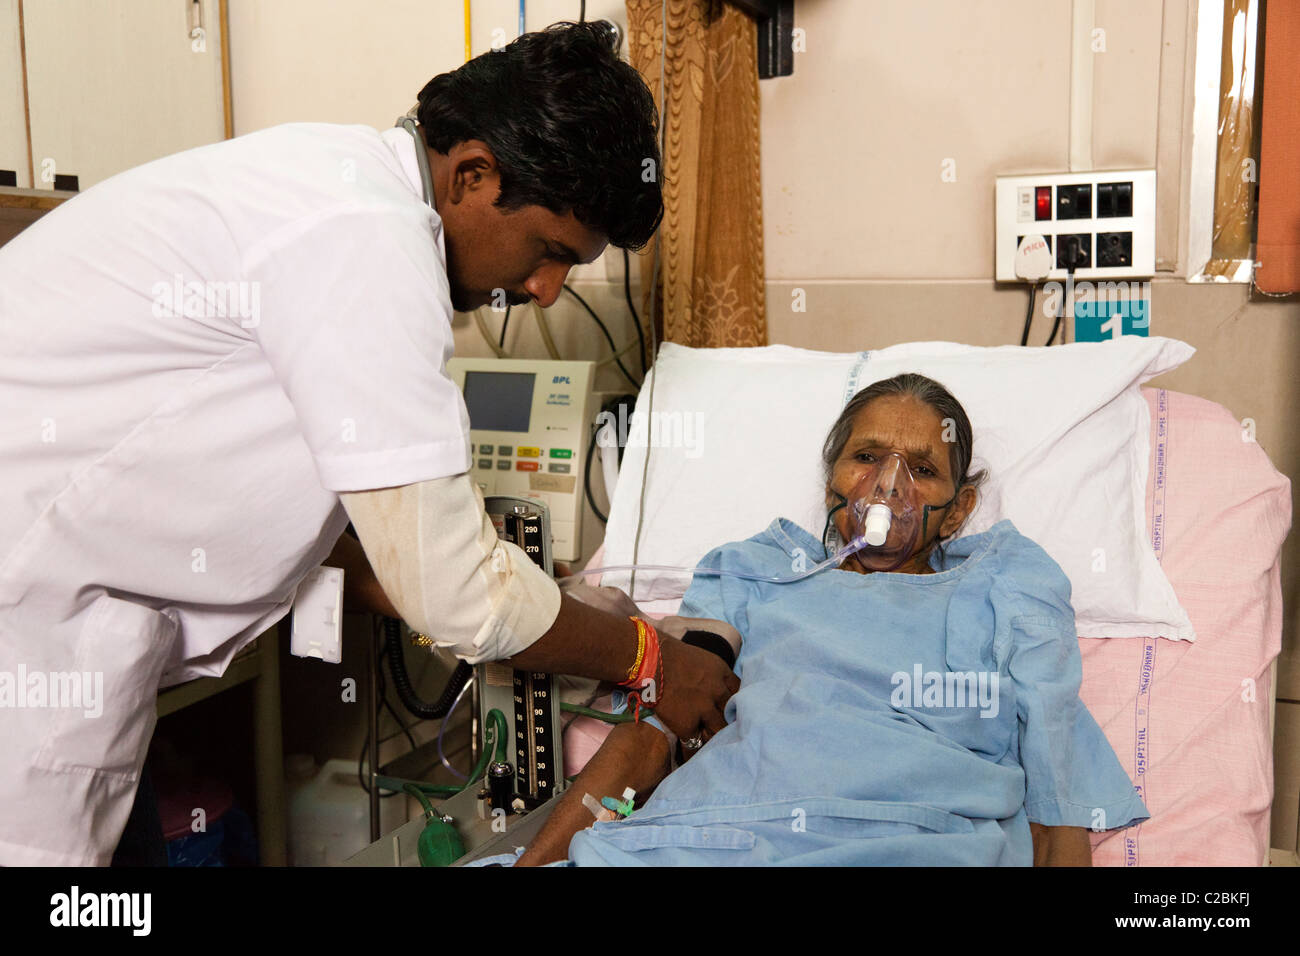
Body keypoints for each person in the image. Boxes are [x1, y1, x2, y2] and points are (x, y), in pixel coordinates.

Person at [0, 22, 736, 866]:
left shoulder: (329, 190)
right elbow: (461, 596)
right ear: (472, 172)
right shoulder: (366, 238)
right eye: (547, 251)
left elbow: (336, 528)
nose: (543, 290)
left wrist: (548, 604)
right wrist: (650, 658)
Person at [512, 373, 1149, 866]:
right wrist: (537, 861)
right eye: (866, 457)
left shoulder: (1005, 581)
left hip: (922, 842)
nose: (888, 484)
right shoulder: (757, 568)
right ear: (831, 484)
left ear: (958, 512)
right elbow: (658, 724)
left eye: (922, 470)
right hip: (722, 835)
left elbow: (1054, 772)